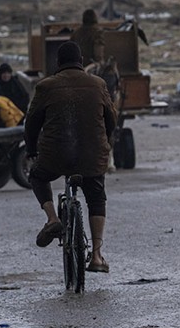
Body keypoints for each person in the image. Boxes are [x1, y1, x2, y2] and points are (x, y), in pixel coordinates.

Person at [23, 40, 118, 273]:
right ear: (82, 62)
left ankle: (53, 219)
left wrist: (31, 150)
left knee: (37, 175)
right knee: (96, 197)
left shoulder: (46, 86)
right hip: (91, 154)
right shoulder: (98, 84)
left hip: (55, 154)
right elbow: (111, 119)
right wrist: (105, 141)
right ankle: (96, 256)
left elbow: (31, 122)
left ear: (58, 62)